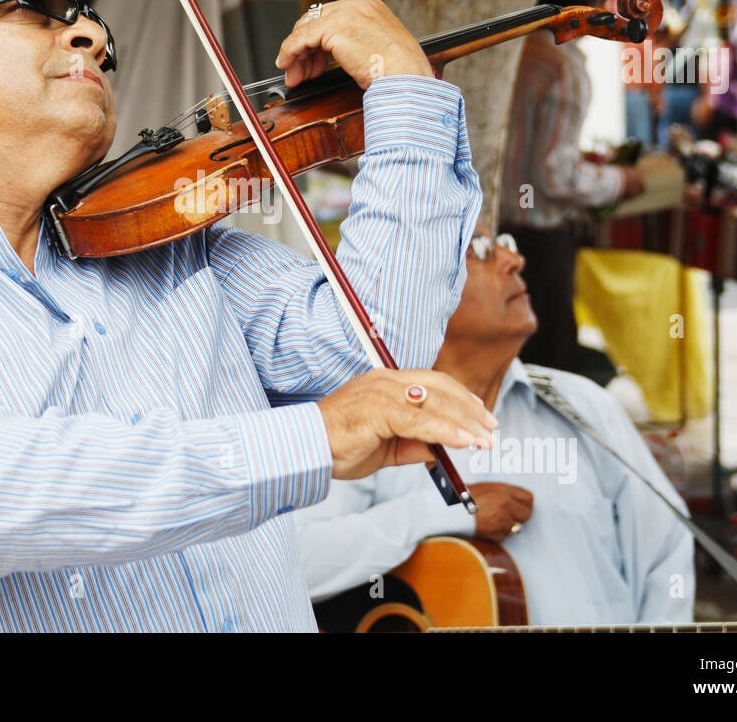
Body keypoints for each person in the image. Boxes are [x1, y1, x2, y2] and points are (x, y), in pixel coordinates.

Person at [0, 0, 494, 632]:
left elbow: (373, 351)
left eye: (89, 22)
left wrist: (405, 93)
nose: (91, 34)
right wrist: (311, 437)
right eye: (36, 6)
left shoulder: (185, 257)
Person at [295, 223, 694, 627]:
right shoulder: (373, 422)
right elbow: (298, 565)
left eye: (506, 244)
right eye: (479, 250)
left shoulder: (586, 406)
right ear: (412, 295)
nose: (515, 261)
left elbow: (666, 552)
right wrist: (440, 514)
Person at [500, 0, 645, 373]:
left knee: (515, 371)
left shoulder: (513, 52)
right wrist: (622, 180)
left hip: (499, 231)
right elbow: (556, 176)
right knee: (549, 370)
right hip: (541, 243)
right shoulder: (563, 69)